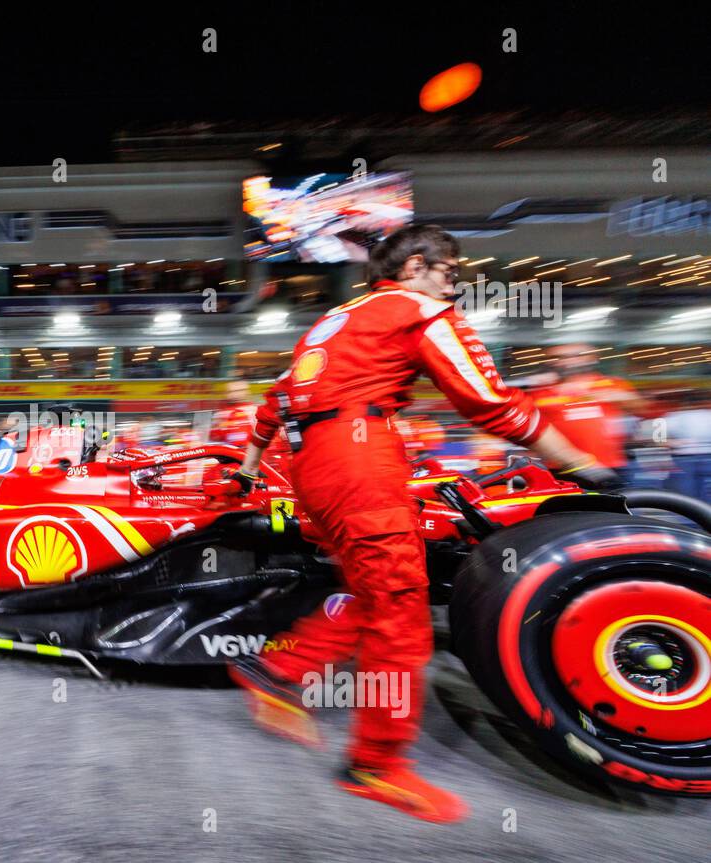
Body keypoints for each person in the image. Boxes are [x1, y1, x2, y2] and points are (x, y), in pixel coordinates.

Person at [228, 224, 618, 824]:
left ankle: (279, 671)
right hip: (359, 457)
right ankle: (376, 765)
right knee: (401, 604)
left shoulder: (338, 320)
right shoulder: (419, 310)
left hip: (311, 463)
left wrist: (250, 470)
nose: (455, 286)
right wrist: (578, 460)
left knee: (370, 589)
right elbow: (490, 400)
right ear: (415, 267)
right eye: (451, 272)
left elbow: (274, 402)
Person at [532, 343, 642, 482]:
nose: (568, 361)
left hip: (607, 465)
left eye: (577, 356)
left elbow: (643, 409)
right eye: (559, 357)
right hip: (561, 467)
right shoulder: (540, 391)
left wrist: (623, 397)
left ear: (592, 358)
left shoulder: (611, 384)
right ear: (550, 361)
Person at [210, 380, 257, 446]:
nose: (237, 394)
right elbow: (213, 436)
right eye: (233, 391)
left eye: (241, 390)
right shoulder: (220, 414)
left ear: (247, 392)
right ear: (227, 393)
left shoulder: (254, 410)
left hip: (249, 450)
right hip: (226, 452)